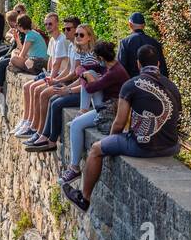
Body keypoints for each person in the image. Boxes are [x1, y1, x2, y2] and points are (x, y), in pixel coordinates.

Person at [63, 43, 182, 210]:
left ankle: (84, 197)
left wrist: (111, 140)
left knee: (96, 149)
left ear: (138, 64)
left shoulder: (131, 85)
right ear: (158, 64)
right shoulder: (172, 86)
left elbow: (119, 122)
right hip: (170, 146)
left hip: (143, 146)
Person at [59, 42, 129, 183]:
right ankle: (83, 111)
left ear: (100, 57)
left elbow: (90, 89)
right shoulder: (110, 66)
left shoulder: (114, 73)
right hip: (105, 104)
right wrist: (84, 74)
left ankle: (74, 169)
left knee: (76, 126)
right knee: (89, 73)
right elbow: (80, 69)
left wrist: (85, 77)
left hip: (110, 111)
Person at [20, 23, 96, 152]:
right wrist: (64, 87)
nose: (77, 37)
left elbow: (87, 82)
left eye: (81, 35)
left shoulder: (90, 56)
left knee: (56, 102)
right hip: (82, 90)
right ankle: (43, 135)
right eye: (76, 34)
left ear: (90, 37)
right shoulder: (81, 52)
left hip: (90, 96)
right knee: (53, 99)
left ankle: (50, 141)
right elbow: (78, 77)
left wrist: (67, 89)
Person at [14, 18, 80, 137]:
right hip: (56, 75)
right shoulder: (65, 44)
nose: (66, 31)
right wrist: (50, 75)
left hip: (67, 81)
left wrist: (55, 79)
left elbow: (69, 70)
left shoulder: (64, 42)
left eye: (68, 29)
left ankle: (35, 128)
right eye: (46, 24)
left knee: (40, 91)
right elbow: (52, 61)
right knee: (27, 86)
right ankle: (28, 121)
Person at [117, 12, 168, 78]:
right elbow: (163, 68)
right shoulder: (154, 42)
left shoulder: (124, 43)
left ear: (130, 25)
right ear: (144, 25)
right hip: (153, 83)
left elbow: (121, 68)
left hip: (133, 83)